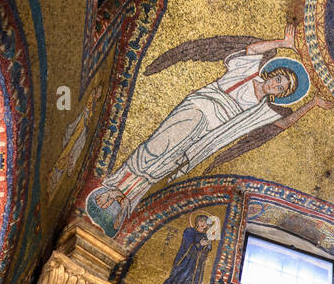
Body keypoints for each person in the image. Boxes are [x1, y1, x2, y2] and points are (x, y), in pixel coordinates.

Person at [86, 28, 299, 236]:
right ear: (274, 73)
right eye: (279, 79)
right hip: (197, 108)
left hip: (208, 131)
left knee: (171, 160)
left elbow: (283, 123)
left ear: (281, 95)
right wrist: (283, 43)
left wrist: (313, 104)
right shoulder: (249, 70)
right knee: (160, 145)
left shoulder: (261, 109)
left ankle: (128, 198)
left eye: (281, 89)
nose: (276, 86)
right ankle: (116, 185)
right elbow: (253, 49)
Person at [153, 214, 216, 284]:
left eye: (206, 223)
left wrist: (208, 245)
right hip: (185, 261)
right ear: (197, 222)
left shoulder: (205, 236)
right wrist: (200, 244)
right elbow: (187, 245)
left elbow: (206, 251)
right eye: (202, 221)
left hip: (196, 265)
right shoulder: (189, 231)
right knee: (176, 280)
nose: (204, 224)